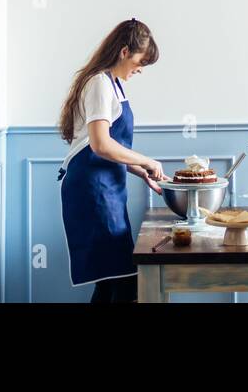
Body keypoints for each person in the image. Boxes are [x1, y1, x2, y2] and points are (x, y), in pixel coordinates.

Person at [56, 18, 168, 302]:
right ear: (124, 52)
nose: (140, 69)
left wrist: (140, 169)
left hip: (107, 190)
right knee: (122, 281)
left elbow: (110, 149)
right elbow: (101, 144)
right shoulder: (99, 84)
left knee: (112, 282)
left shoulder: (114, 85)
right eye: (141, 62)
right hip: (93, 192)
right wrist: (148, 160)